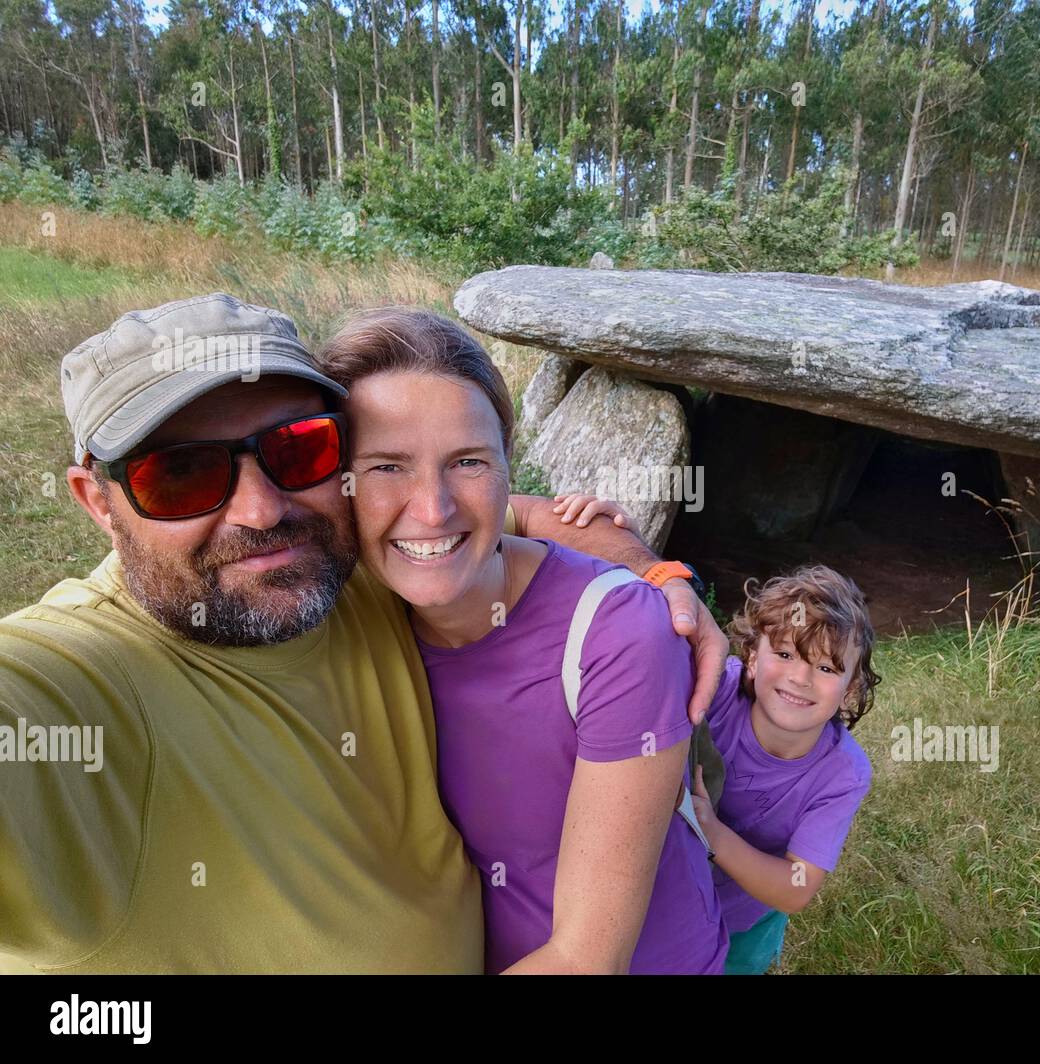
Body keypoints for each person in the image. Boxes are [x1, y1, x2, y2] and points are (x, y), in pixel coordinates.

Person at [0, 292, 726, 974]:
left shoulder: (348, 561)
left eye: (295, 449)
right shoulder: (73, 684)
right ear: (97, 501)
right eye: (181, 473)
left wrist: (655, 577)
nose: (260, 510)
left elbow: (489, 512)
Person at [318, 307, 729, 974]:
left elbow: (586, 958)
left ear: (508, 465)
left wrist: (659, 574)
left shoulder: (618, 633)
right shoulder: (349, 605)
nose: (433, 509)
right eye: (386, 467)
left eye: (468, 462)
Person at [690, 565, 878, 975]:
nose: (800, 678)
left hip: (745, 917)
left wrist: (709, 828)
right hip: (668, 891)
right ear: (753, 657)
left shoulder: (843, 772)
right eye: (785, 653)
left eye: (827, 668)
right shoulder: (716, 688)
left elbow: (796, 889)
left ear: (850, 691)